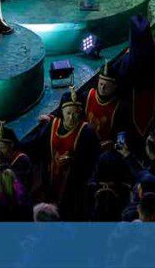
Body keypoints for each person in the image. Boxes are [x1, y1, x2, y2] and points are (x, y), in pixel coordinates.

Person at [23, 90, 101, 220]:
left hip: (75, 190)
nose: (72, 117)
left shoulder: (88, 132)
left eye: (76, 113)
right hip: (51, 181)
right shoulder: (52, 126)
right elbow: (35, 144)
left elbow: (93, 163)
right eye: (68, 113)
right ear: (62, 113)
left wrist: (74, 162)